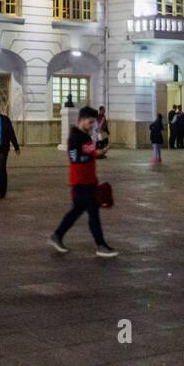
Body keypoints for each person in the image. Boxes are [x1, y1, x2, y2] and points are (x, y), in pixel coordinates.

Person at [49, 105, 117, 256]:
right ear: (82, 120)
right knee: (92, 214)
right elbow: (75, 159)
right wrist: (92, 155)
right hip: (80, 183)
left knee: (77, 212)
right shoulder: (75, 137)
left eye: (93, 123)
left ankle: (58, 236)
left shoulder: (86, 137)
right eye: (90, 122)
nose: (92, 125)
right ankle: (100, 245)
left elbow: (88, 153)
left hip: (89, 181)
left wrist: (98, 153)